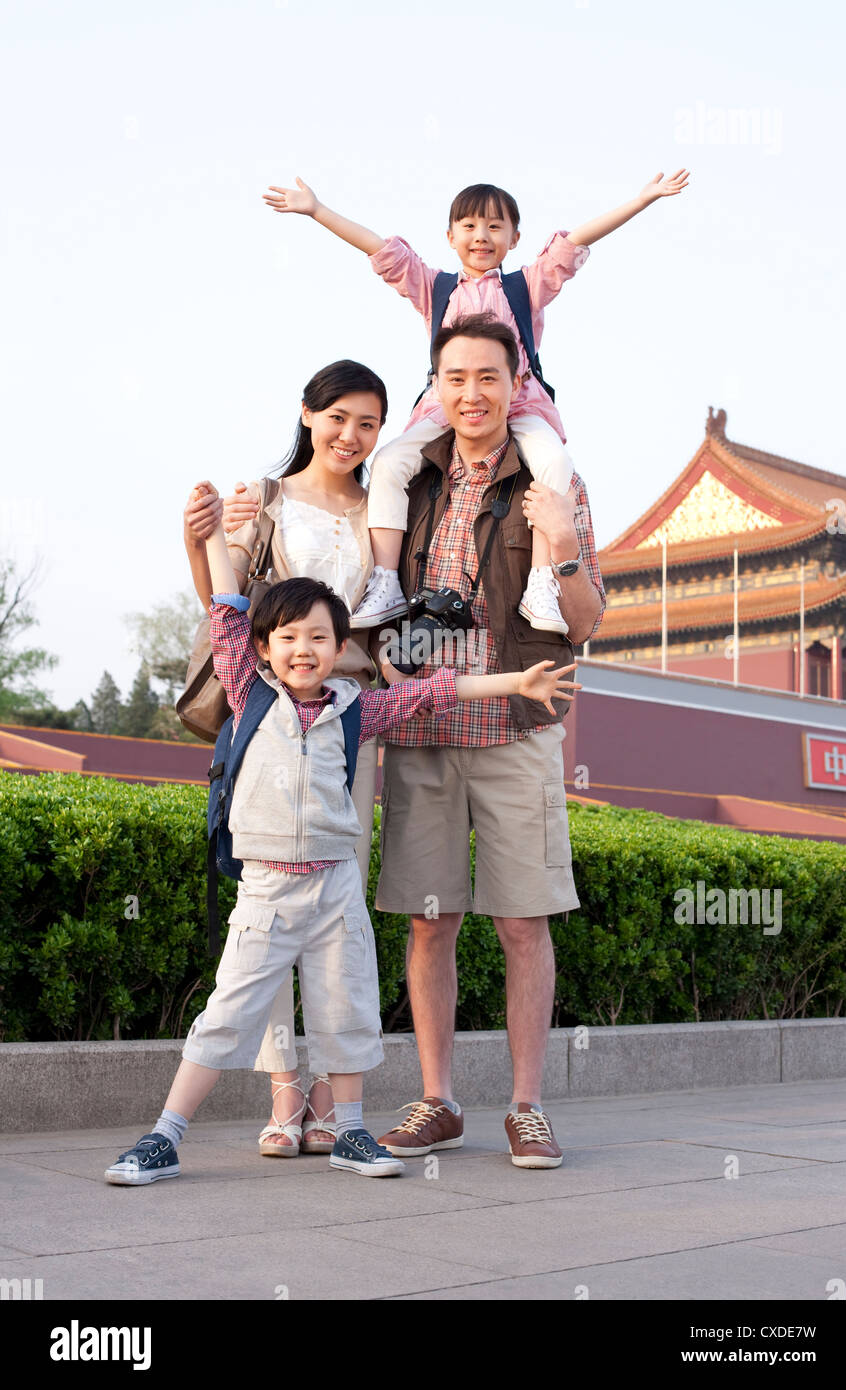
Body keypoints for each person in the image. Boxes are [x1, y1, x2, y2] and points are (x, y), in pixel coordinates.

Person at [104, 494, 580, 1184]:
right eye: (290, 637)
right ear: (265, 649)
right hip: (267, 889)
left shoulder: (356, 710)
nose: (304, 650)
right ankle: (164, 1134)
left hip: (333, 888)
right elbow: (226, 610)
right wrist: (213, 540)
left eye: (320, 637)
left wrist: (515, 681)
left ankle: (351, 1132)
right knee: (228, 1011)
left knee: (346, 1010)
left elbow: (433, 693)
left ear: (338, 647)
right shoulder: (250, 691)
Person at [368, 313, 606, 1169]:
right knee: (431, 925)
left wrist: (569, 546)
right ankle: (438, 1099)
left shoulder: (552, 480)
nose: (470, 394)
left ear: (516, 387)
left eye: (488, 378)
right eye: (454, 378)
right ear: (436, 387)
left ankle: (528, 1106)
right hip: (424, 731)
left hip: (516, 731)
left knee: (521, 922)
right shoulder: (407, 482)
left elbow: (581, 625)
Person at [262, 170, 687, 634]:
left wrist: (642, 199)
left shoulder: (525, 287)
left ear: (515, 237)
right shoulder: (436, 289)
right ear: (450, 236)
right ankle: (385, 581)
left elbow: (578, 238)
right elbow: (378, 248)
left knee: (554, 463)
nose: (481, 236)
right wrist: (317, 210)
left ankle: (542, 582)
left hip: (519, 405)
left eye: (494, 227)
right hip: (442, 408)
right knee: (389, 462)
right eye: (468, 226)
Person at [182, 359, 385, 1160]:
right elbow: (219, 596)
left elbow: (378, 617)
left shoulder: (384, 508)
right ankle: (284, 1091)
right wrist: (194, 532)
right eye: (338, 417)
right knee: (266, 906)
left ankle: (341, 1104)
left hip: (345, 717)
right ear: (308, 415)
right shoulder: (261, 500)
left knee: (340, 908)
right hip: (269, 716)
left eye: (367, 423)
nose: (350, 435)